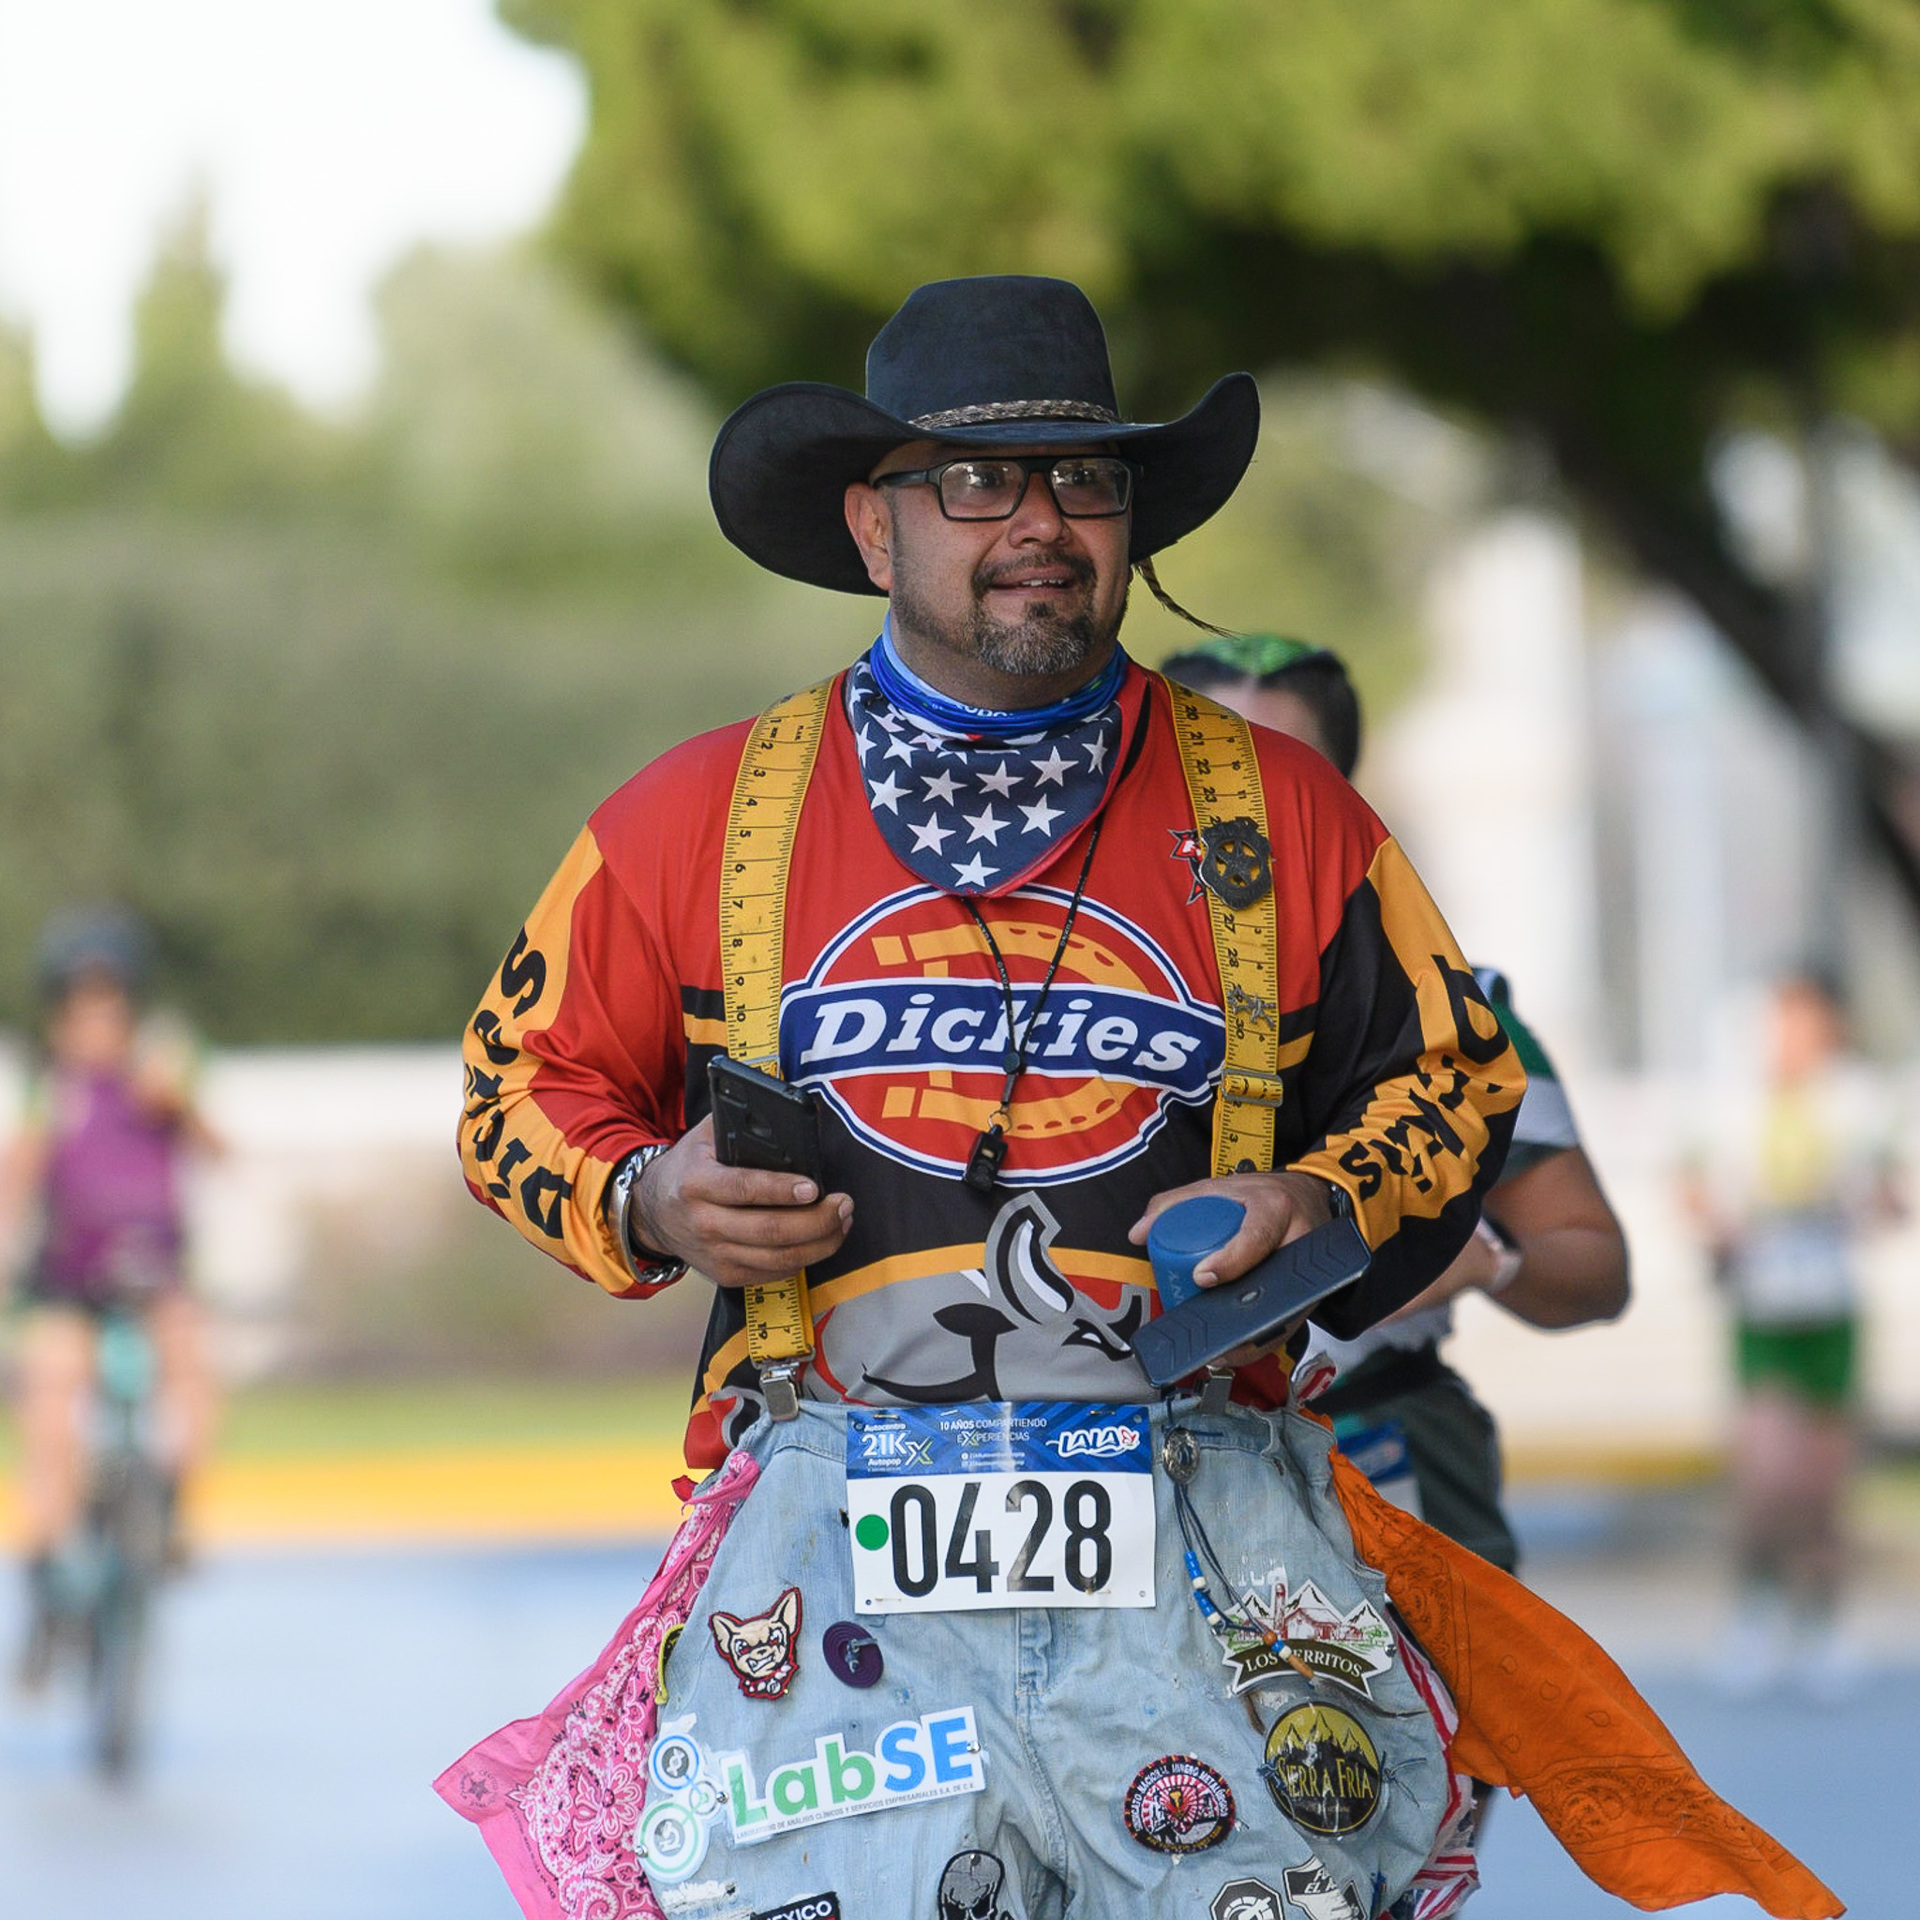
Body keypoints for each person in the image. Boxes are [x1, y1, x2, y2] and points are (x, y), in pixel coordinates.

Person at [439, 278, 1837, 1920]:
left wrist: (1319, 1199)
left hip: (1207, 1526)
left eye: (1084, 482)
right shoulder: (692, 819)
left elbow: (1457, 1083)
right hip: (831, 1563)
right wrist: (645, 1197)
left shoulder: (1294, 815)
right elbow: (510, 1091)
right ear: (873, 529)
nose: (1039, 524)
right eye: (975, 484)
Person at [1163, 632, 1630, 1572]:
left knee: (1447, 1725)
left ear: (1339, 798)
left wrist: (1480, 1259)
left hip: (1378, 1455)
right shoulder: (1057, 991)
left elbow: (1594, 1265)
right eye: (1203, 783)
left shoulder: (1457, 1009)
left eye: (1278, 774)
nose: (1236, 818)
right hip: (1130, 1465)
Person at [1, 911, 219, 1676]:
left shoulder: (166, 1064)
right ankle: (49, 1563)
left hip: (153, 1267)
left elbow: (216, 1147)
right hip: (68, 1274)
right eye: (79, 1010)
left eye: (108, 1008)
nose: (95, 1025)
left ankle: (173, 1516)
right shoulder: (47, 1088)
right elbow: (19, 1173)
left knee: (188, 1356)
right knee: (50, 1389)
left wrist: (177, 1102)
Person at [1683, 971, 1900, 1699]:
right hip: (1763, 1309)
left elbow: (1892, 1195)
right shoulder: (1735, 1099)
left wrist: (1864, 1198)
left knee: (1823, 1484)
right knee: (1767, 1474)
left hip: (1830, 1307)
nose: (1792, 1039)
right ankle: (1754, 1606)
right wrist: (1719, 1226)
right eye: (1783, 1022)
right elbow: (1692, 1181)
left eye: (1807, 1024)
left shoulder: (1856, 1100)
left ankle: (1821, 1623)